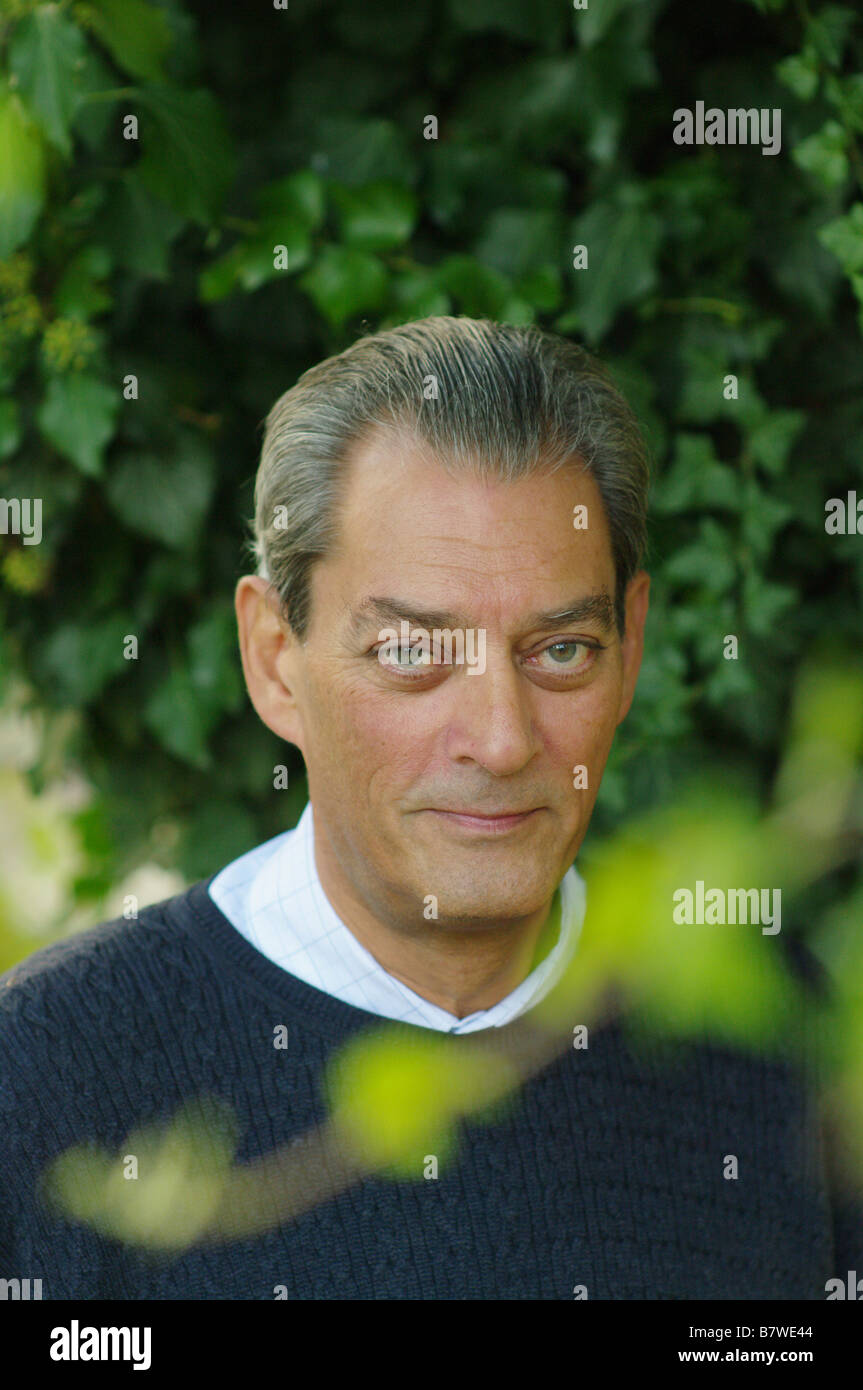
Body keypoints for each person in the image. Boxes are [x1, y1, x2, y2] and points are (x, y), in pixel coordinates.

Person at [0, 317, 856, 1299]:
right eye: (412, 653)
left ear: (629, 644)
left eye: (560, 650)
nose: (499, 739)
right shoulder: (46, 1073)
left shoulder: (786, 1041)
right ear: (275, 662)